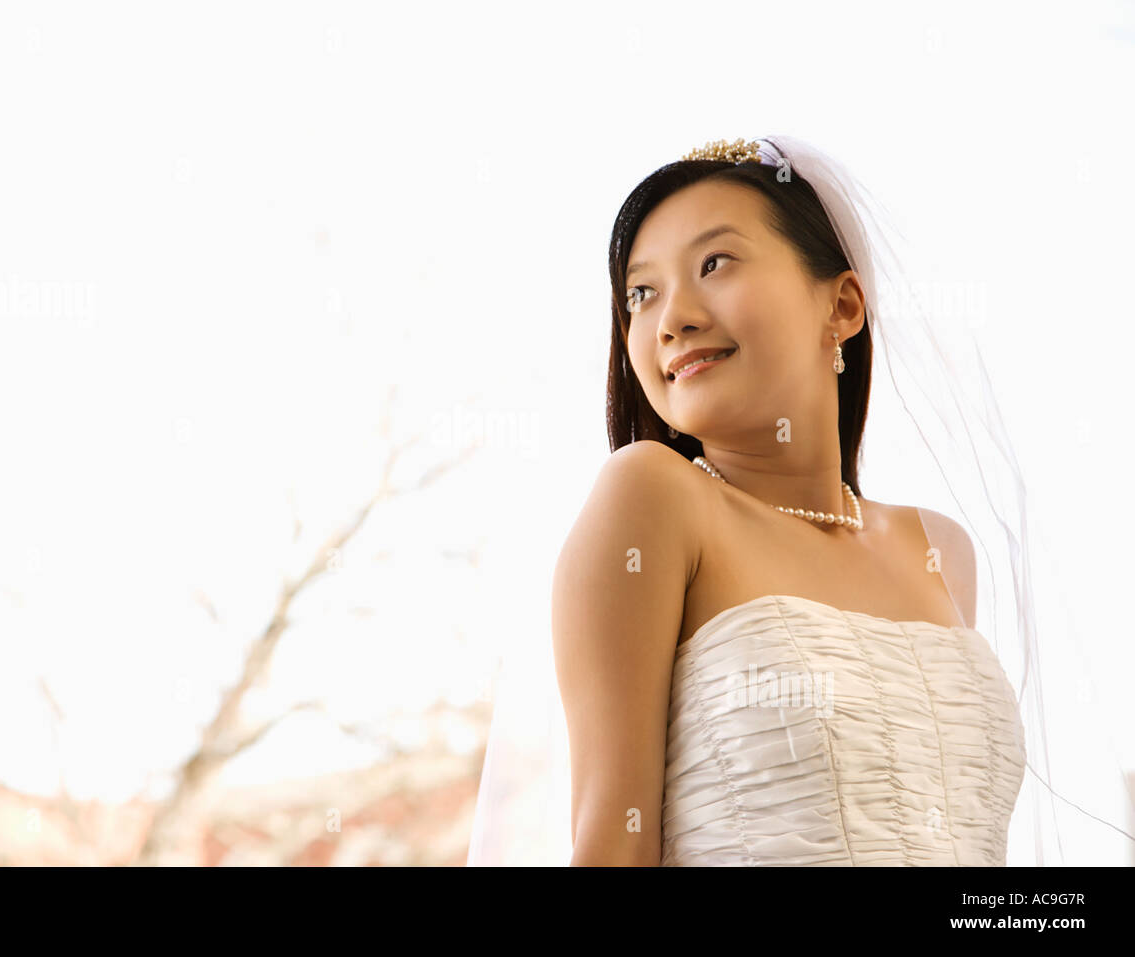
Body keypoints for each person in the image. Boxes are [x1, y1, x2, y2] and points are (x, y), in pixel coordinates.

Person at [467, 135, 1135, 866]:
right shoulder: (652, 497)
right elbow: (613, 849)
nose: (671, 318)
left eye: (714, 263)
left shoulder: (939, 548)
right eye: (640, 292)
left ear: (842, 306)